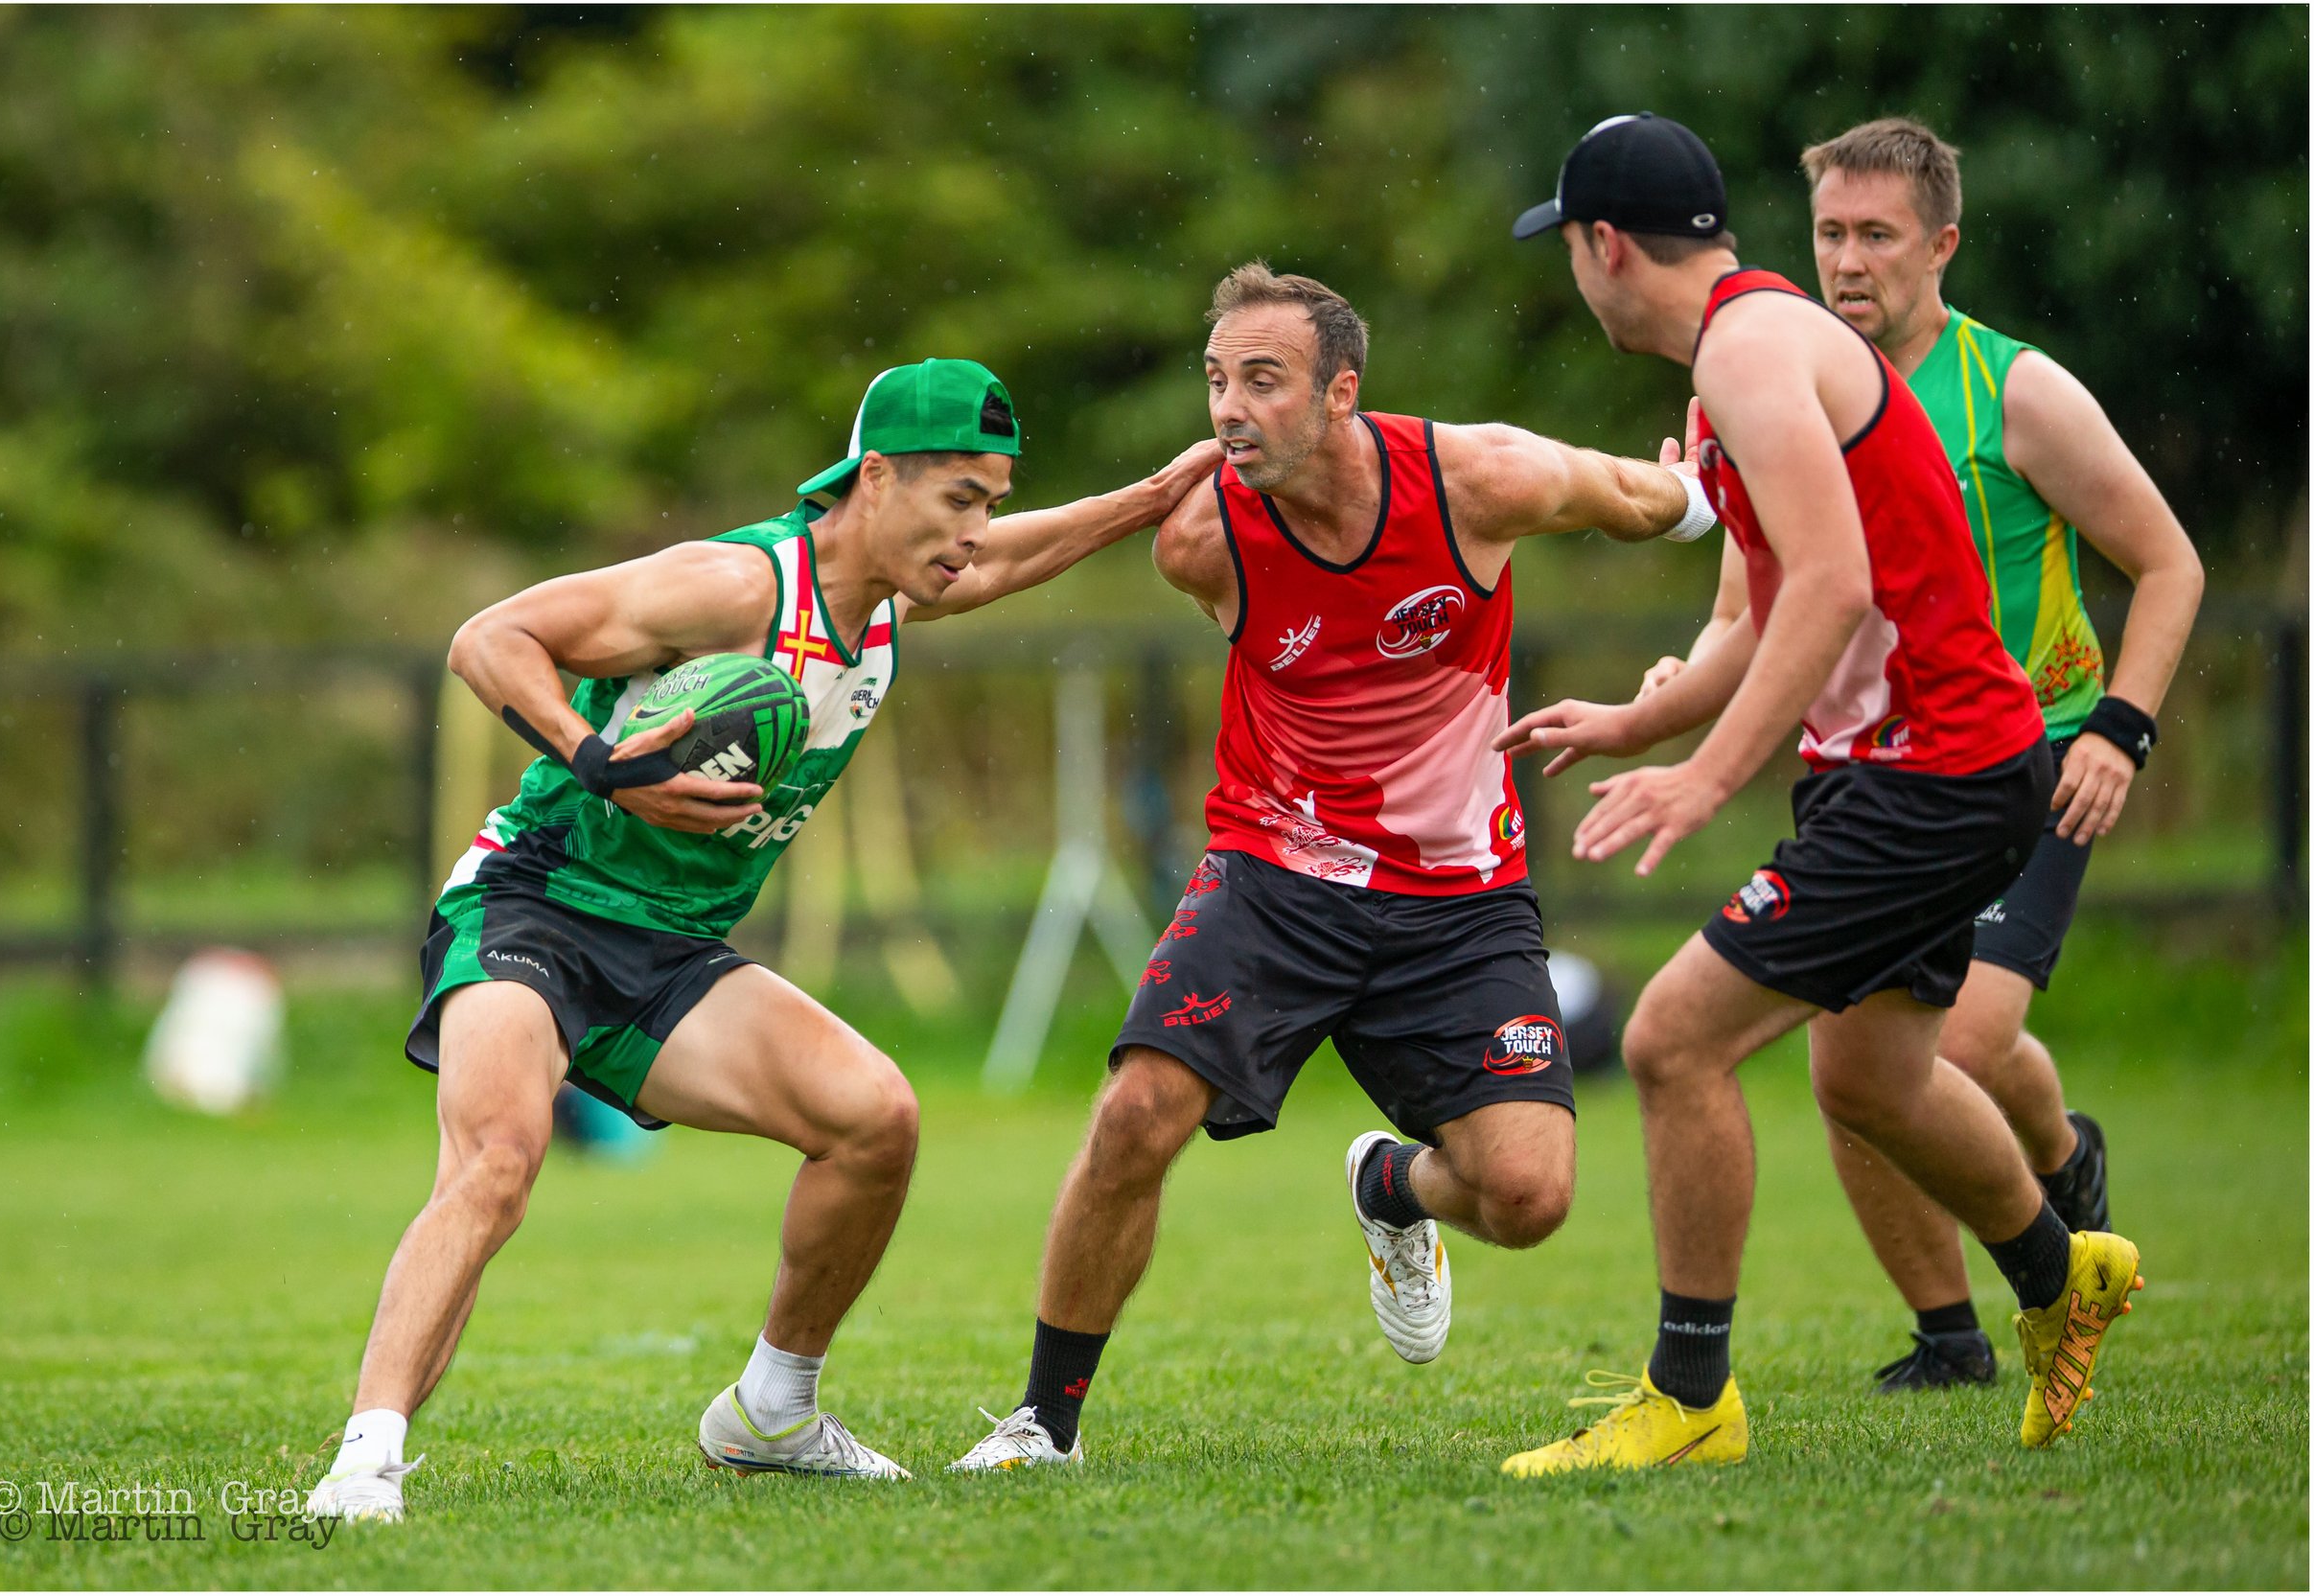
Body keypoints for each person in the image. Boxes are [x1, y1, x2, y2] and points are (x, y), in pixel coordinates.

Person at [306, 359, 1219, 1519]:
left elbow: (1001, 562)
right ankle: (364, 1462)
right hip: (537, 901)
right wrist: (603, 765)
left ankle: (770, 1412)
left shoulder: (896, 594)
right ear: (875, 478)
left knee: (873, 1118)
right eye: (959, 499)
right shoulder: (734, 586)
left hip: (673, 948)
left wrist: (1150, 496)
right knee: (497, 1158)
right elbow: (491, 637)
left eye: (991, 499)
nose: (975, 531)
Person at [948, 262, 1720, 1471]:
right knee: (1137, 1111)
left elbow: (1640, 498)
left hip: (1461, 898)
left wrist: (1701, 496)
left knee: (1529, 1197)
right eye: (1216, 380)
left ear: (1341, 392)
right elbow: (973, 574)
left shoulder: (1475, 479)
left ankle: (1394, 1190)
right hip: (1275, 873)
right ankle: (1045, 1421)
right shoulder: (1204, 538)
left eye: (1263, 379)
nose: (1230, 408)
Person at [1497, 113, 2142, 1475]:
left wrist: (1707, 775)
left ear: (1605, 246)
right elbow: (1769, 609)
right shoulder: (1754, 344)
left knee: (1672, 1037)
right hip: (1920, 774)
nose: (1574, 272)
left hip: (1939, 775)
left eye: (1567, 248)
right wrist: (1639, 718)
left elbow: (1839, 580)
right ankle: (2058, 1276)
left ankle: (1691, 1396)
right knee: (1868, 1072)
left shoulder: (1747, 352)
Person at [1635, 117, 2202, 1393]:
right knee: (1863, 1062)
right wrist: (1664, 694)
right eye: (1829, 233)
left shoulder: (2016, 391)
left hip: (2033, 755)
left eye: (1877, 235)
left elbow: (2170, 561)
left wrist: (2123, 726)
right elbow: (1746, 607)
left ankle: (2058, 1182)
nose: (1847, 261)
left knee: (1945, 1051)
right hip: (1881, 767)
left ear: (1941, 245)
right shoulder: (1784, 378)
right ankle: (1960, 1326)